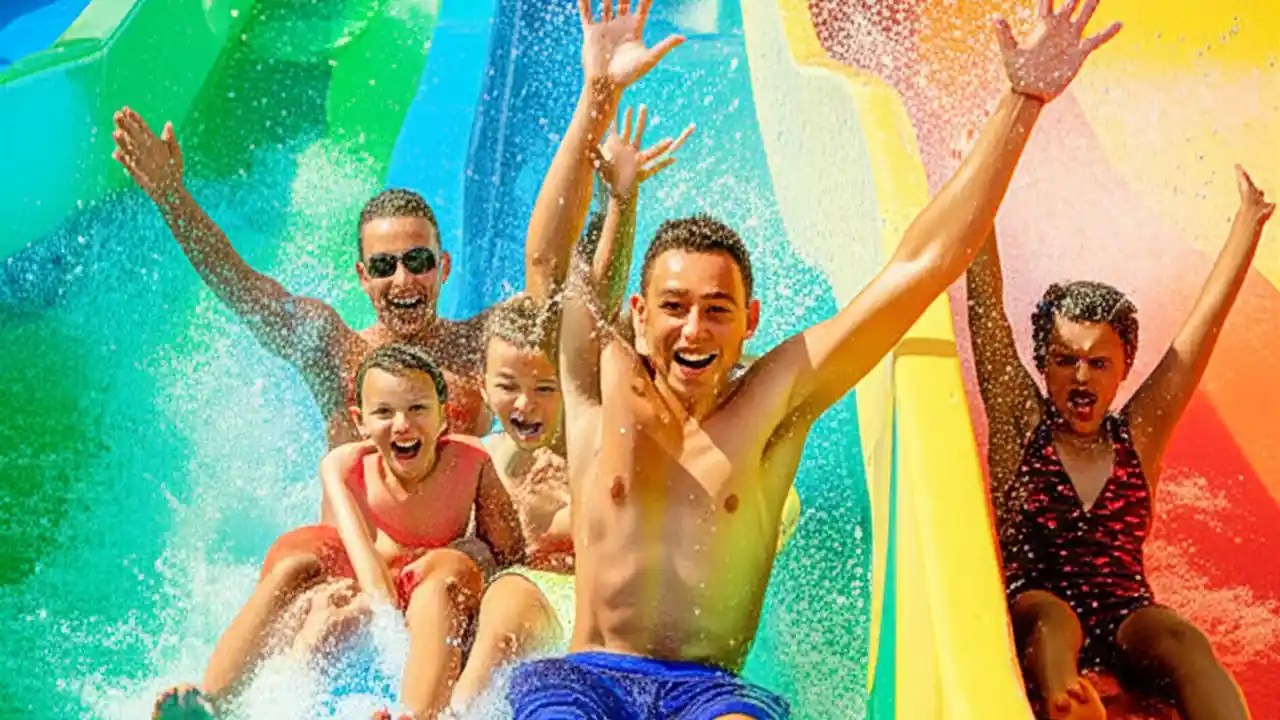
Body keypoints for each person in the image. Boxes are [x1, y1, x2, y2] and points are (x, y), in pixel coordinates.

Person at [502, 1, 1124, 717]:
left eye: (717, 310)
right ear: (640, 318)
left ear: (749, 323)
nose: (694, 329)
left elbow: (920, 265)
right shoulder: (599, 382)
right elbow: (548, 263)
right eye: (673, 307)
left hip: (708, 692)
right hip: (588, 677)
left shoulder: (776, 399)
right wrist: (598, 96)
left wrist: (1022, 101)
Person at [966, 154, 1271, 718]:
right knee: (1054, 621)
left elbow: (1196, 339)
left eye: (1098, 363)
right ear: (1043, 363)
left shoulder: (1139, 435)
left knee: (1182, 641)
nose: (1081, 376)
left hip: (1124, 609)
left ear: (1125, 366)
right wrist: (981, 192)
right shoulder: (1021, 426)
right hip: (1038, 604)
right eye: (1065, 360)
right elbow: (986, 312)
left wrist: (1247, 228)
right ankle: (1069, 703)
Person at [450, 104, 694, 713]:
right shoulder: (484, 455)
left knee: (506, 615)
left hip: (598, 619)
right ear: (481, 385)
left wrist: (621, 202)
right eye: (507, 387)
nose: (525, 404)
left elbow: (575, 286)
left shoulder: (593, 425)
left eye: (543, 388)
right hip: (525, 613)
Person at [152, 344, 525, 719]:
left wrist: (474, 555)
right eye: (383, 412)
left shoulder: (471, 462)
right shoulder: (348, 468)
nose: (402, 424)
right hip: (370, 583)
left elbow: (509, 555)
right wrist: (333, 476)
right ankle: (213, 699)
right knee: (294, 561)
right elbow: (375, 589)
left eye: (418, 409)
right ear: (360, 421)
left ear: (443, 416)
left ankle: (416, 715)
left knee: (447, 572)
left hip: (430, 591)